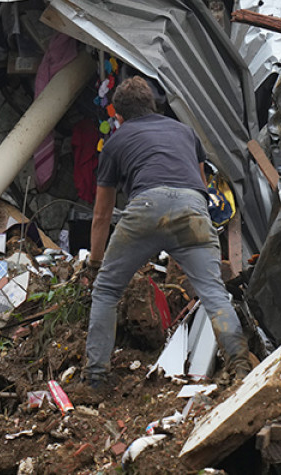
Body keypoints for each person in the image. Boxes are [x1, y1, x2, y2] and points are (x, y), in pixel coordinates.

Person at [80, 77, 253, 391]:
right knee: (214, 294)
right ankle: (241, 367)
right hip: (193, 209)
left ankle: (96, 378)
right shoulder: (184, 132)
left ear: (117, 116)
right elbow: (200, 185)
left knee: (106, 291)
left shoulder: (115, 143)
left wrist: (94, 264)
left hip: (145, 207)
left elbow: (102, 213)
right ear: (153, 104)